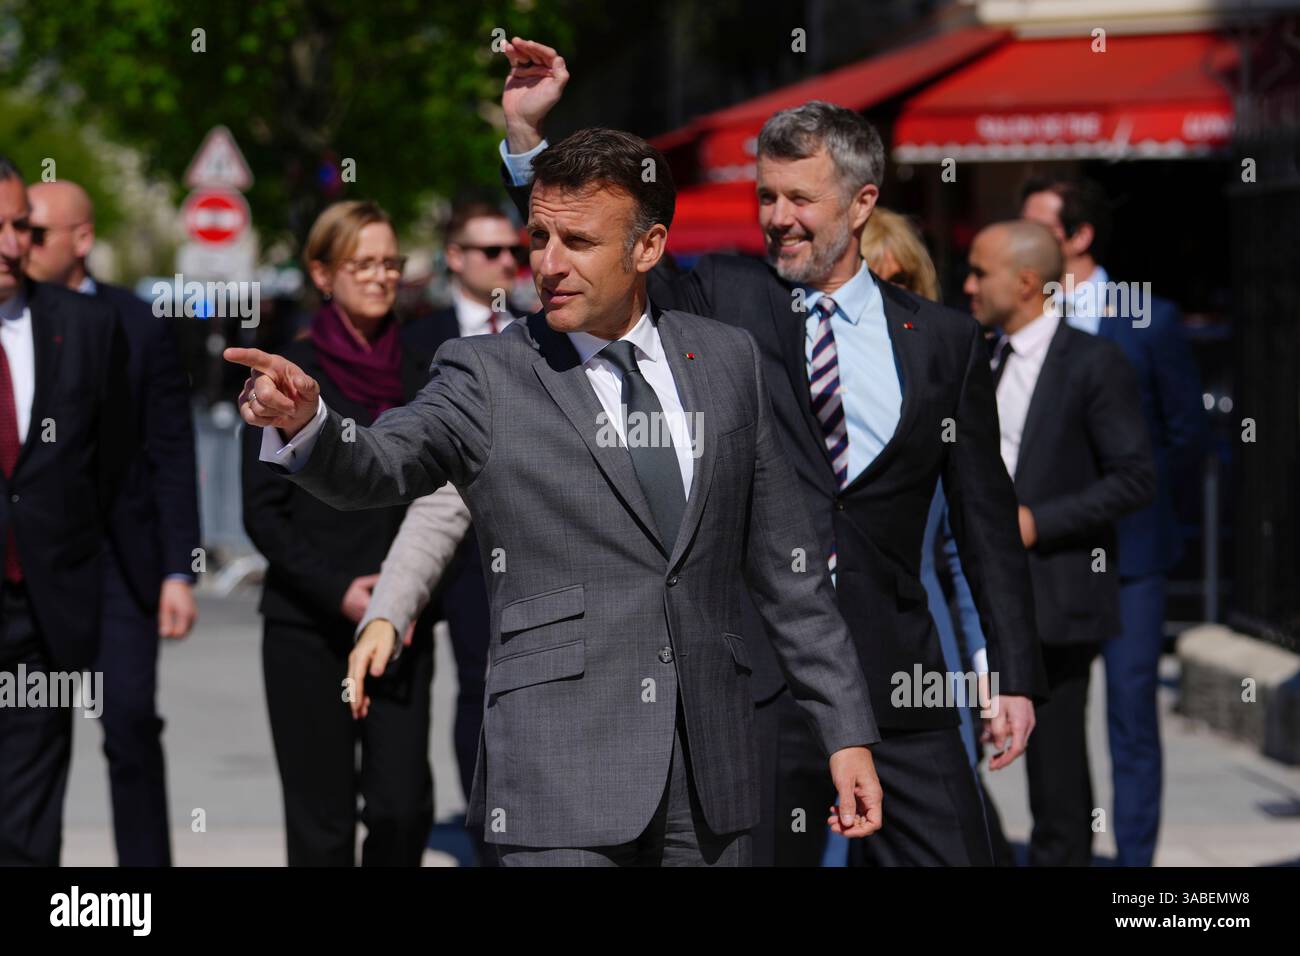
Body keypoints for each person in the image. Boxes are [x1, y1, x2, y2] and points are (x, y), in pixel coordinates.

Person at [229, 127, 883, 867]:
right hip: (558, 774)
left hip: (713, 774)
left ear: (648, 247)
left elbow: (790, 576)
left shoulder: (728, 362)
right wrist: (309, 423)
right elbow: (383, 462)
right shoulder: (487, 373)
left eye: (577, 241)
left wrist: (846, 731)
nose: (546, 264)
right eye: (538, 236)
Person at [498, 37, 1044, 867]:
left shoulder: (943, 342)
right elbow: (593, 248)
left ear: (861, 204)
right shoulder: (718, 295)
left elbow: (985, 522)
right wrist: (530, 141)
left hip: (900, 684)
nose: (777, 216)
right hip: (756, 686)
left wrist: (1012, 672)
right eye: (766, 196)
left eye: (800, 198)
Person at [239, 200, 439, 866]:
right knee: (321, 826)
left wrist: (398, 596)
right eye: (363, 263)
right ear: (323, 274)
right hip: (308, 622)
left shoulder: (425, 366)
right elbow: (263, 511)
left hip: (399, 618)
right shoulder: (286, 374)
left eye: (390, 262)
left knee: (401, 807)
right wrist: (340, 592)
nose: (381, 277)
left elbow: (445, 489)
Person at [1021, 177, 1208, 866]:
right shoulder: (1023, 317)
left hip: (1131, 559)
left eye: (1039, 224)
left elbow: (1183, 436)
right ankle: (1063, 848)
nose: (1026, 235)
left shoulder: (1148, 320)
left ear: (1078, 236)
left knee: (1132, 714)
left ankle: (1136, 867)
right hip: (1054, 556)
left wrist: (1154, 523)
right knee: (1057, 714)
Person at [964, 220, 1156, 866]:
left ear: (1023, 282)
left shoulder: (1093, 362)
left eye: (978, 272)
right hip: (976, 591)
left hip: (1056, 594)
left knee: (1056, 774)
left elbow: (1134, 478)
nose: (967, 285)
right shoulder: (979, 354)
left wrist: (1037, 521)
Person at [25, 179, 201, 867]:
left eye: (37, 233)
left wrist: (176, 568)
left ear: (82, 238)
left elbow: (170, 449)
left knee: (128, 723)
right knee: (30, 736)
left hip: (118, 568)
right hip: (32, 567)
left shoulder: (135, 320)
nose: (21, 245)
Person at [862, 207, 1014, 864]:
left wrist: (990, 675)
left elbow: (962, 551)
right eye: (875, 284)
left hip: (926, 662)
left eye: (903, 286)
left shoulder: (941, 390)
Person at [0, 156, 133, 865]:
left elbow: (113, 467)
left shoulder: (83, 326)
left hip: (40, 611)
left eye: (19, 225)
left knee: (26, 823)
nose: (8, 244)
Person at [389, 200, 523, 827]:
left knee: (488, 681)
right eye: (491, 251)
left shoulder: (538, 330)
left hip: (501, 545)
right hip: (426, 534)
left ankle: (494, 827)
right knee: (409, 695)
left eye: (514, 251)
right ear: (455, 258)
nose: (507, 263)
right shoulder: (414, 337)